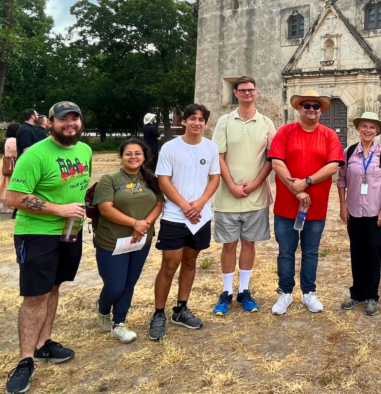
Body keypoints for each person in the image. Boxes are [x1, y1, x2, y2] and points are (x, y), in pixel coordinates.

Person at [4, 101, 92, 394]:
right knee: (35, 296)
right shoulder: (35, 154)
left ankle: (44, 344)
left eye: (75, 119)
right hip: (36, 233)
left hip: (70, 232)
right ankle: (25, 360)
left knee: (54, 288)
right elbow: (14, 197)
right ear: (50, 123)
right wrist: (59, 208)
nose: (70, 124)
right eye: (63, 119)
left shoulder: (85, 151)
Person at [268, 90, 345, 315]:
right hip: (286, 206)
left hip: (316, 206)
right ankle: (285, 292)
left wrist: (307, 182)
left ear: (321, 110)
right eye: (307, 106)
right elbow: (277, 163)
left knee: (311, 252)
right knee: (285, 251)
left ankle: (308, 292)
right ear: (299, 109)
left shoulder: (329, 135)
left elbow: (333, 166)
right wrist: (297, 190)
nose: (311, 109)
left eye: (316, 106)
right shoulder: (285, 131)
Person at [148, 104, 221, 339]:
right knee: (170, 264)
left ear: (205, 123)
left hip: (200, 215)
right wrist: (185, 205)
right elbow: (164, 181)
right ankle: (158, 313)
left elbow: (214, 178)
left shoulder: (210, 147)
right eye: (193, 119)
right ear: (185, 122)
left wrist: (199, 203)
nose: (197, 123)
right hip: (175, 215)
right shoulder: (170, 147)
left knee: (190, 262)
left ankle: (181, 308)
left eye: (201, 119)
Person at [210, 76, 276, 316]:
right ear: (235, 93)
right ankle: (226, 292)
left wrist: (257, 183)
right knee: (229, 245)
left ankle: (244, 290)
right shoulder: (225, 121)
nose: (248, 93)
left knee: (249, 243)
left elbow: (272, 157)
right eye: (243, 90)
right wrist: (231, 185)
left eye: (251, 90)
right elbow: (219, 155)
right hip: (227, 197)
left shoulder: (266, 122)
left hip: (256, 197)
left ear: (256, 92)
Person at [94, 139, 163, 343]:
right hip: (112, 242)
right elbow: (105, 209)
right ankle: (103, 308)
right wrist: (135, 223)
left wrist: (145, 225)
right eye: (128, 153)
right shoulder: (110, 179)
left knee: (129, 283)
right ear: (121, 156)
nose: (133, 157)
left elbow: (158, 203)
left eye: (138, 153)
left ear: (144, 157)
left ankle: (119, 323)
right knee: (115, 285)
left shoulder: (151, 179)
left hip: (141, 241)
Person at [337, 112, 381, 316]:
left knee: (373, 253)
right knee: (356, 252)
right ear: (358, 129)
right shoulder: (349, 152)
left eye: (371, 127)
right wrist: (343, 206)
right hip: (354, 210)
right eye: (364, 127)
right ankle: (357, 294)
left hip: (375, 212)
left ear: (377, 130)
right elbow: (342, 180)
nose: (367, 130)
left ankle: (372, 296)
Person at [0, 123, 21, 213]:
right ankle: (5, 207)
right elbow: (16, 153)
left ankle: (8, 206)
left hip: (7, 163)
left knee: (7, 184)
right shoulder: (13, 140)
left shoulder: (9, 139)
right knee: (7, 185)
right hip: (10, 164)